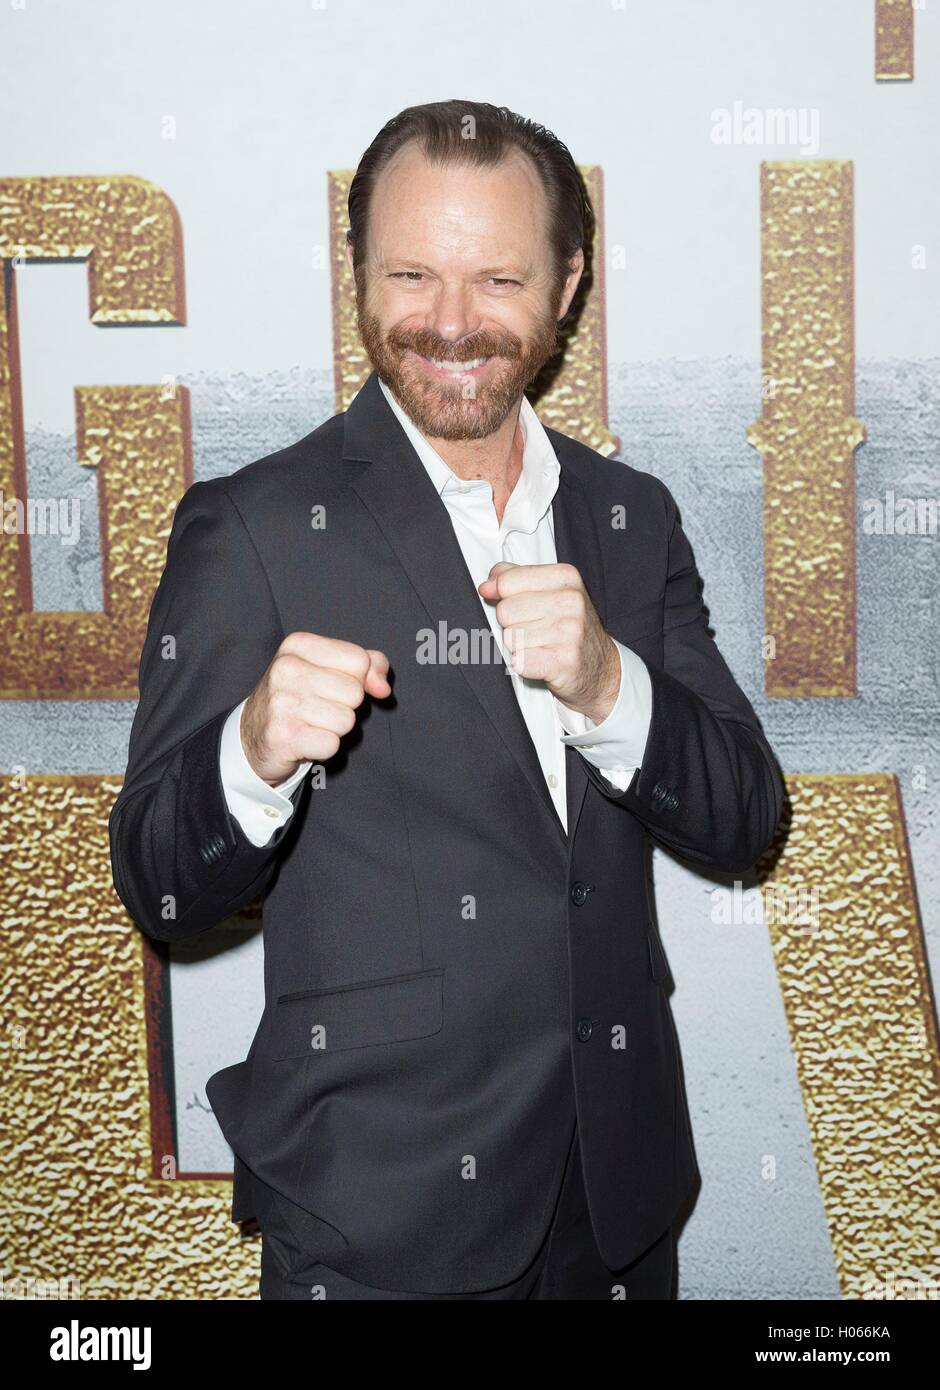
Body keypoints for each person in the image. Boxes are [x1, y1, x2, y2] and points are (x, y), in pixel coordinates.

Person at [109, 99, 784, 1300]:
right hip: (379, 1219)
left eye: (500, 278)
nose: (452, 323)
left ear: (569, 284)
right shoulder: (253, 526)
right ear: (356, 271)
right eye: (411, 272)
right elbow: (160, 884)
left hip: (615, 1211)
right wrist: (251, 753)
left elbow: (746, 821)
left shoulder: (632, 517)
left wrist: (608, 685)